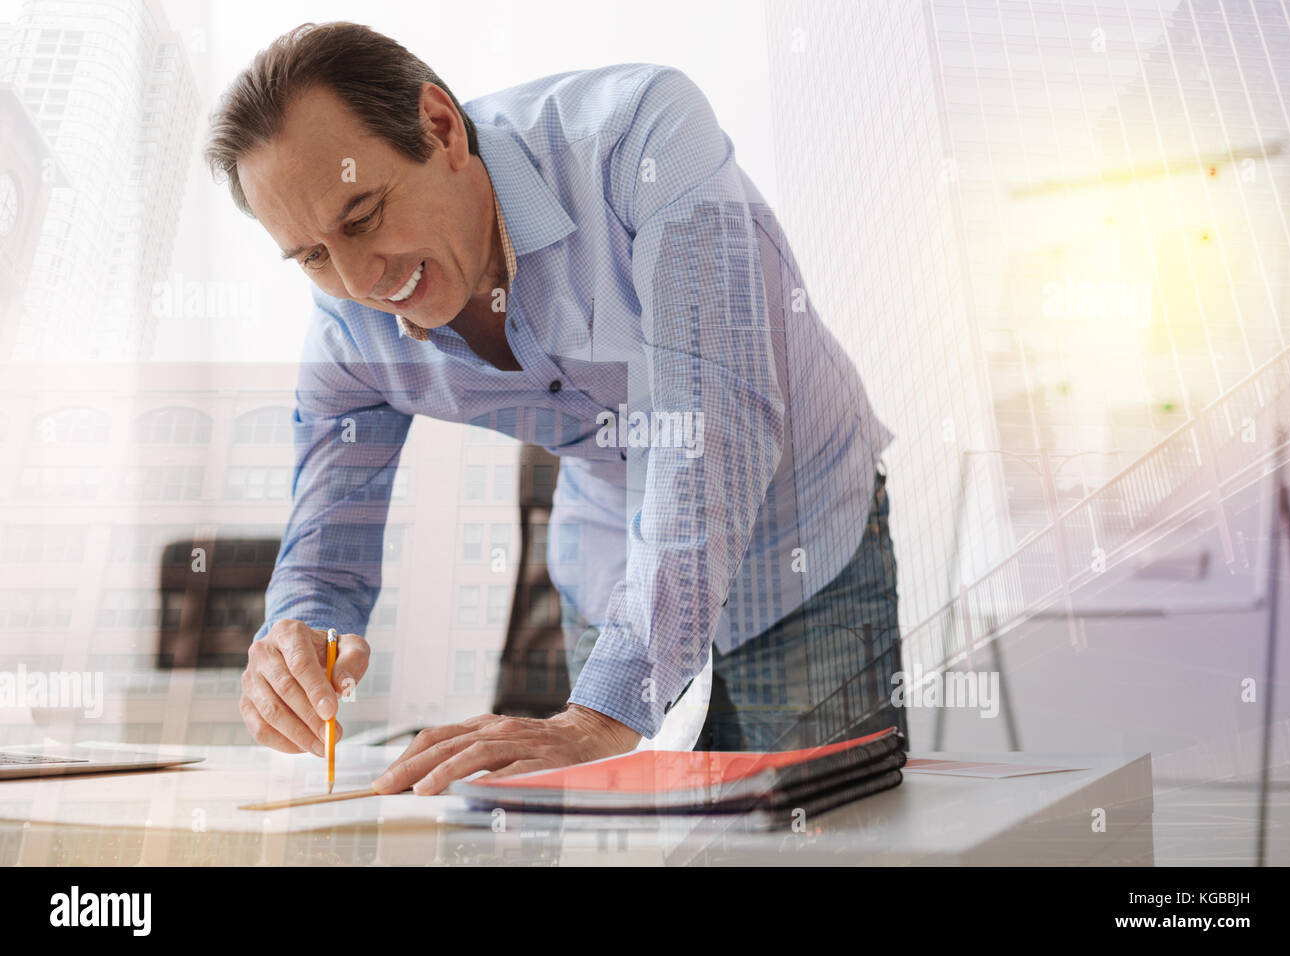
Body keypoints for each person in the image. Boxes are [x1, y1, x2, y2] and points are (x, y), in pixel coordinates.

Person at [206, 21, 904, 796]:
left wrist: (597, 716)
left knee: (831, 839)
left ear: (440, 129)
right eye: (310, 256)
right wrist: (296, 644)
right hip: (612, 566)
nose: (359, 278)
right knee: (629, 845)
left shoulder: (640, 137)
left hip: (803, 542)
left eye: (363, 216)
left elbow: (712, 432)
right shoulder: (348, 331)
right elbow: (324, 554)